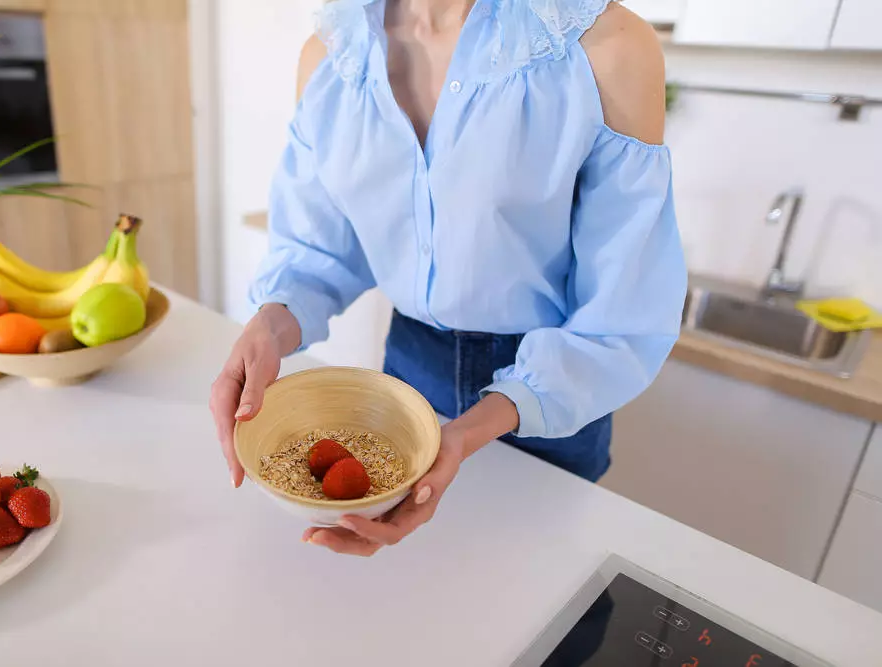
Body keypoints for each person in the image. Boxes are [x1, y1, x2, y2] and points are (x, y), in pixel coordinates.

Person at [211, 0, 687, 556]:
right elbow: (317, 251)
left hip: (555, 394)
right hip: (409, 370)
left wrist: (466, 433)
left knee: (543, 606)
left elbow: (623, 313)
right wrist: (270, 324)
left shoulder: (604, 47)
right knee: (412, 599)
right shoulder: (332, 55)